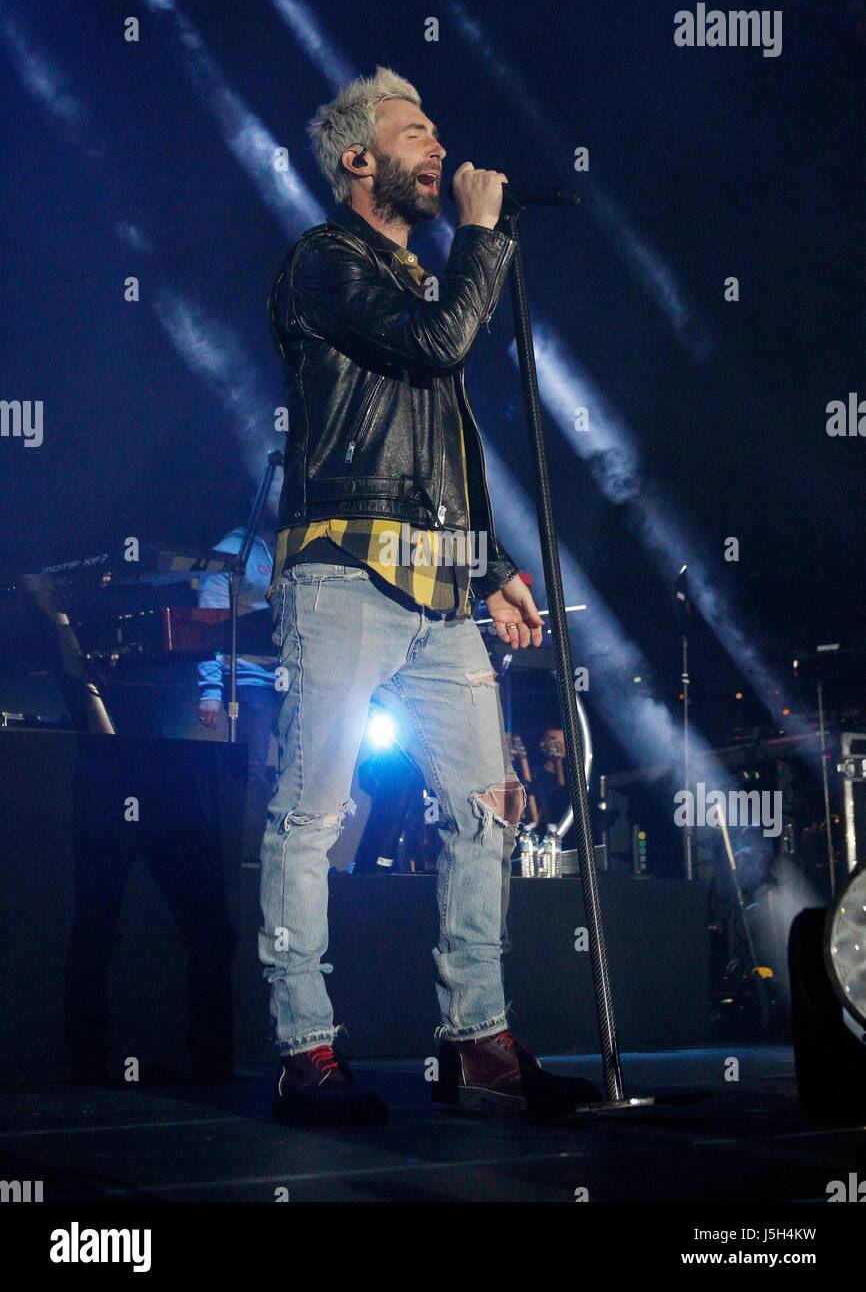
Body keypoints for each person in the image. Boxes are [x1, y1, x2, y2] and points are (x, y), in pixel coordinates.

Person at [260, 66, 601, 1124]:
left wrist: (492, 566)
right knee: (308, 815)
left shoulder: (419, 283)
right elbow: (440, 345)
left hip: (440, 588)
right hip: (343, 577)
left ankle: (478, 1040)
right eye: (414, 132)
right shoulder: (326, 263)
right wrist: (484, 237)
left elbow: (439, 448)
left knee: (486, 809)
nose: (438, 148)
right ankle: (305, 1053)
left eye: (435, 129)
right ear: (360, 159)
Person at [197, 526, 279, 861]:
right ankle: (243, 857)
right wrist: (211, 688)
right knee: (251, 770)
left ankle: (281, 852)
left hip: (289, 678)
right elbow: (208, 622)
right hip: (247, 680)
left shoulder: (287, 548)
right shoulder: (233, 550)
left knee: (295, 770)